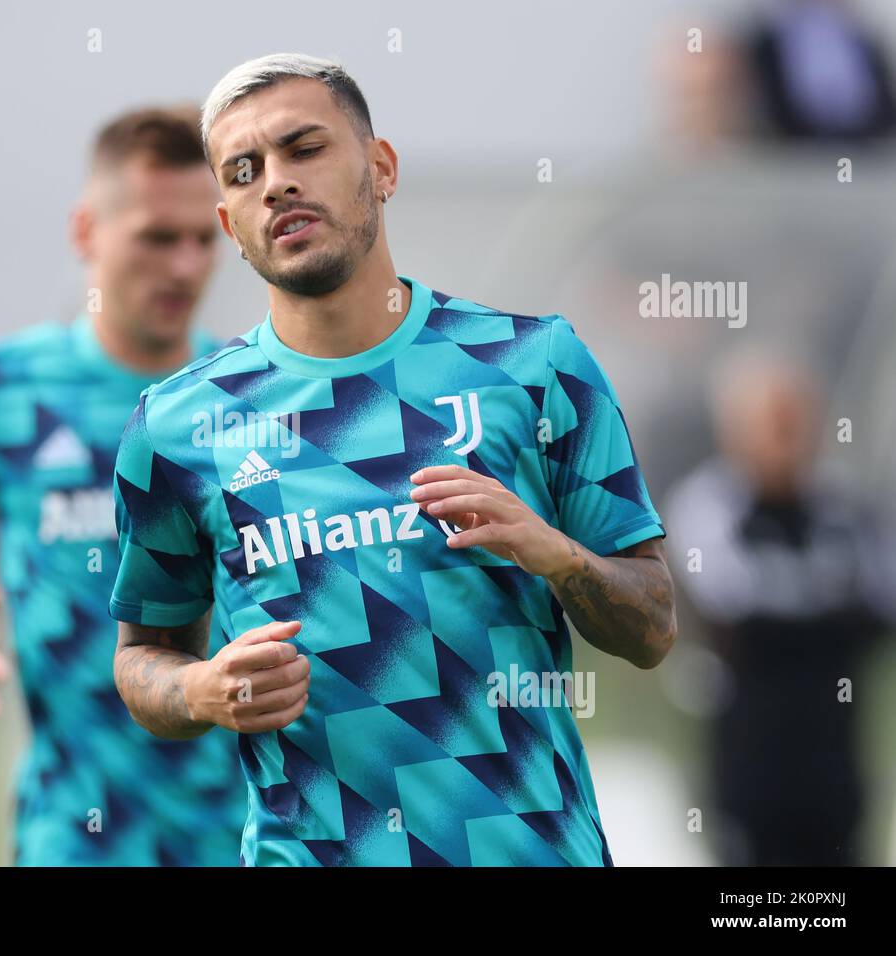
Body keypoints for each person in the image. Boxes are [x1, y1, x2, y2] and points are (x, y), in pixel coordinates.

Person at [109, 54, 677, 866]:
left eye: (305, 149)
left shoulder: (532, 364)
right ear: (231, 226)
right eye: (245, 171)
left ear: (381, 170)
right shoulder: (176, 425)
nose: (276, 183)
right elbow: (141, 658)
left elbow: (652, 624)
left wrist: (554, 554)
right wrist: (201, 690)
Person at [0, 106, 245, 866]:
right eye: (158, 237)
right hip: (73, 831)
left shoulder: (248, 396)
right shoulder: (0, 392)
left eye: (206, 238)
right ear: (85, 232)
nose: (186, 266)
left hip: (239, 828)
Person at [666, 346, 894, 865]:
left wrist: (807, 615)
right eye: (774, 423)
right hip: (748, 764)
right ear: (736, 430)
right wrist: (827, 610)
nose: (788, 440)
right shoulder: (708, 508)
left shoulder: (846, 508)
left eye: (798, 422)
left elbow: (881, 608)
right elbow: (731, 611)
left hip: (836, 765)